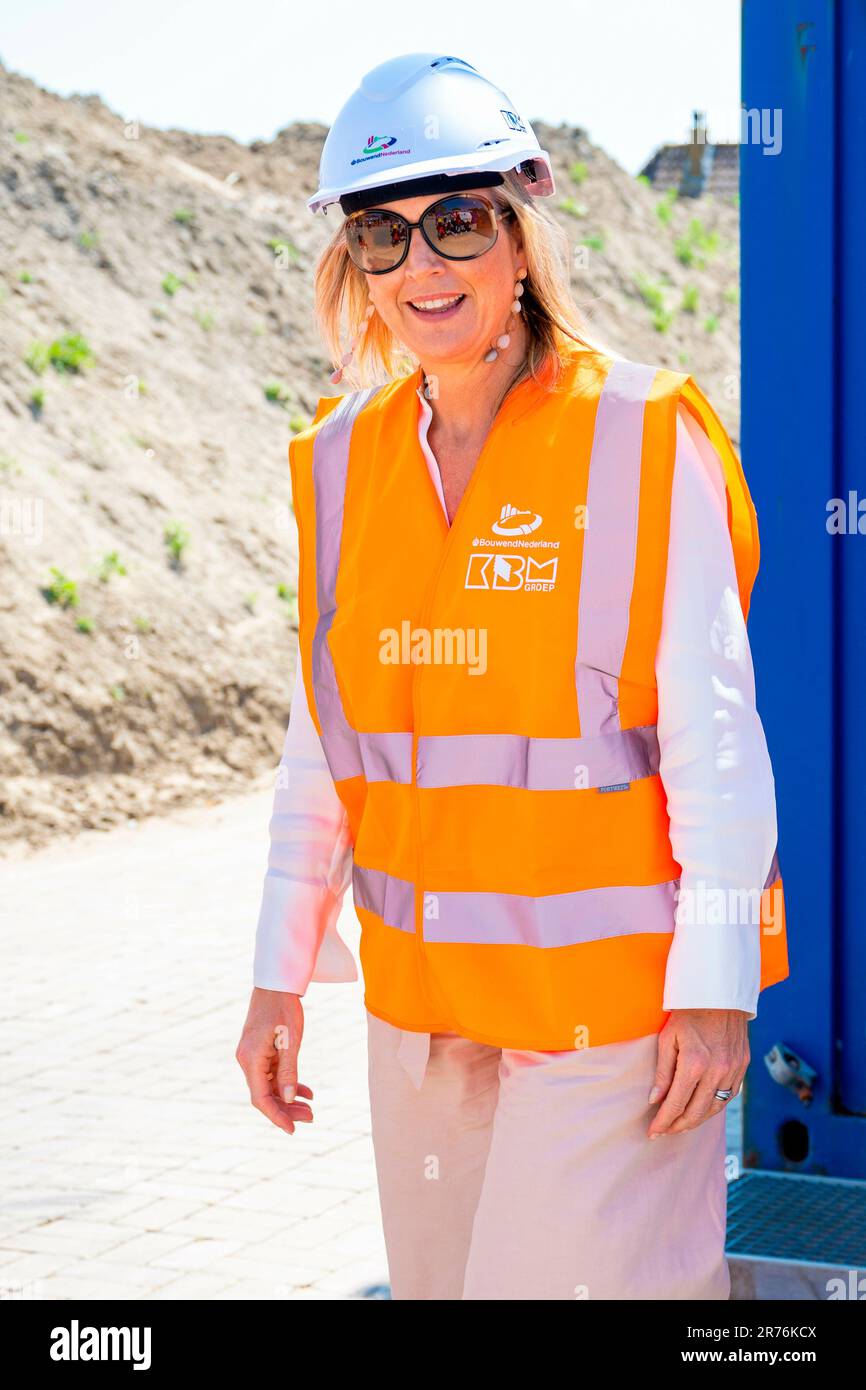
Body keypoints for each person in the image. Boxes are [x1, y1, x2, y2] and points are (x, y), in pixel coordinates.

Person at [235, 52, 789, 1301]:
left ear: (519, 235)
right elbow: (323, 751)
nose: (422, 266)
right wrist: (279, 974)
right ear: (352, 268)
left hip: (609, 1018)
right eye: (383, 235)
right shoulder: (339, 461)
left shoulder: (641, 436)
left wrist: (713, 994)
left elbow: (714, 747)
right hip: (423, 1016)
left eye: (457, 221)